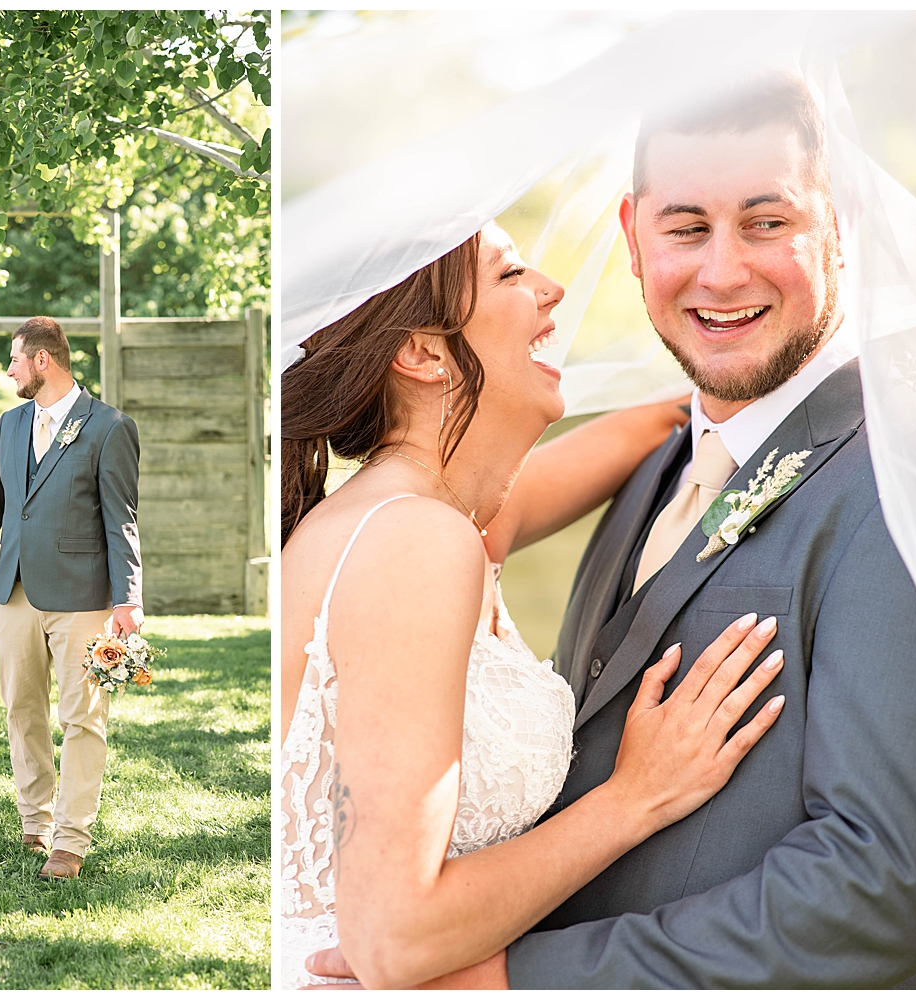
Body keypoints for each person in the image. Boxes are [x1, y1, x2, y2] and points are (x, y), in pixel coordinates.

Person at [307, 70, 916, 989]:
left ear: (837, 227)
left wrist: (516, 976)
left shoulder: (894, 479)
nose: (722, 272)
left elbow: (884, 886)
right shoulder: (638, 472)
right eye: (686, 228)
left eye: (767, 222)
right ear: (632, 239)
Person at [279, 222, 789, 989]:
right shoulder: (415, 543)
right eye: (512, 274)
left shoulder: (437, 518)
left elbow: (669, 420)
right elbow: (393, 940)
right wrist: (635, 798)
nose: (553, 288)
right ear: (422, 353)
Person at [0, 318, 142, 881]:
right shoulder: (10, 425)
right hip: (14, 593)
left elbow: (121, 518)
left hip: (83, 597)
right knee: (21, 710)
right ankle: (36, 822)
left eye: (14, 360)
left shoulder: (108, 427)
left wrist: (128, 599)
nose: (9, 371)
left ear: (43, 361)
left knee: (83, 719)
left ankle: (71, 841)